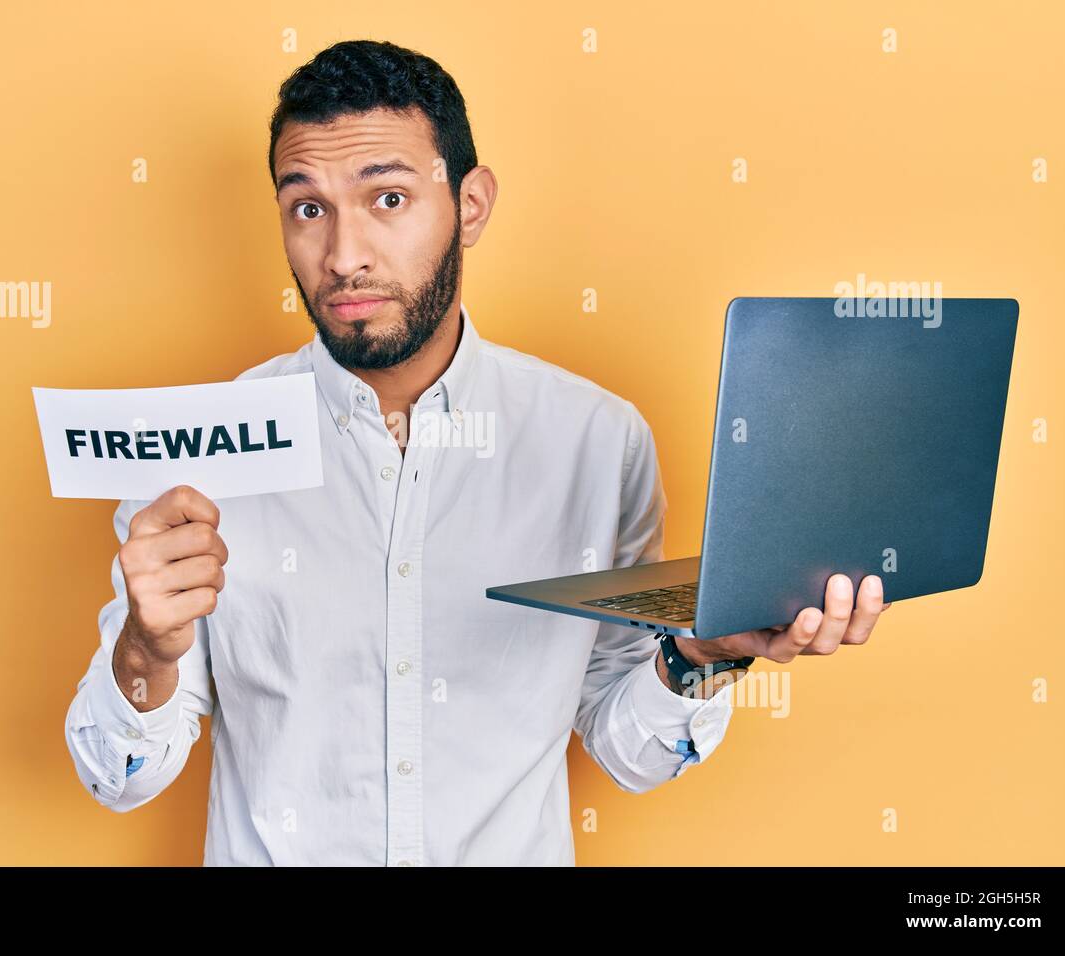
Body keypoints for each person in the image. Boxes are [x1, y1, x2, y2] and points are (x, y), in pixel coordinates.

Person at [63, 39, 890, 866]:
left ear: (471, 205)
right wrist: (145, 649)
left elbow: (627, 750)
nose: (344, 255)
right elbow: (117, 775)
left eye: (387, 197)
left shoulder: (597, 442)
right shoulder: (194, 458)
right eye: (308, 208)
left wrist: (701, 657)